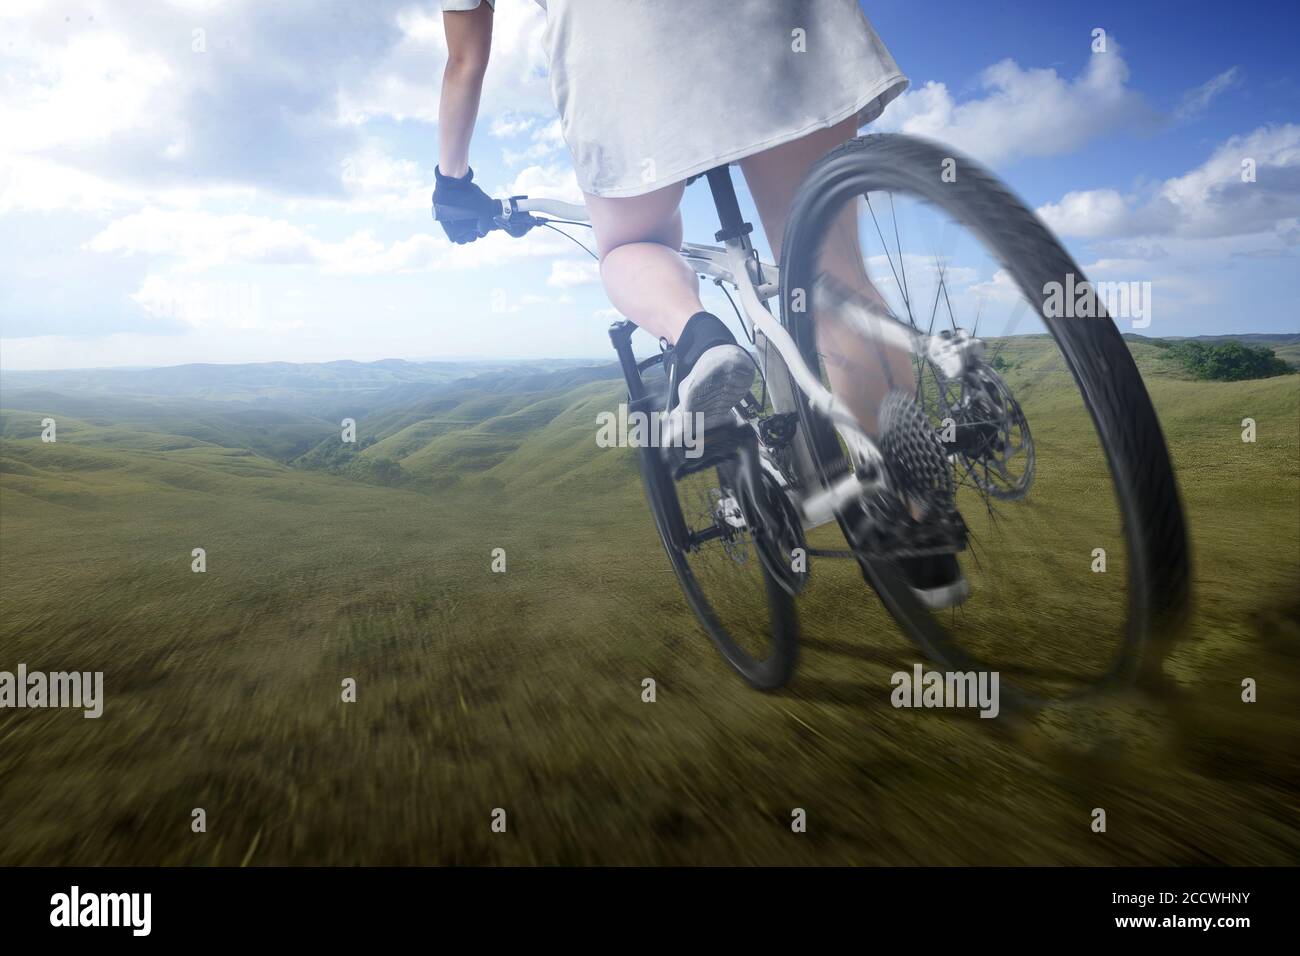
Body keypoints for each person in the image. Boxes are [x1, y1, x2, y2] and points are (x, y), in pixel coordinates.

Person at [433, 0, 967, 608]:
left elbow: (463, 58)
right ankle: (923, 528)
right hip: (777, 24)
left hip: (631, 53)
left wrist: (451, 184)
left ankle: (699, 337)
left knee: (632, 244)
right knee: (832, 278)